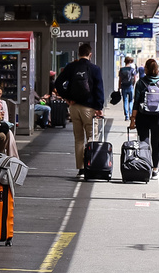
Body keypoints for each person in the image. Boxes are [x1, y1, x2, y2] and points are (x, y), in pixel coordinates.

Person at [52, 42, 105, 177]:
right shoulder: (95, 69)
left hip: (74, 108)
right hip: (90, 108)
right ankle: (91, 166)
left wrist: (67, 98)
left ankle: (81, 169)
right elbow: (99, 89)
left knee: (79, 139)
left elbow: (58, 83)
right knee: (92, 137)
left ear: (79, 53)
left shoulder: (71, 67)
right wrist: (99, 107)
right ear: (90, 54)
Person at [131, 58, 159, 176]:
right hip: (158, 118)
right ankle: (155, 170)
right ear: (157, 70)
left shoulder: (140, 83)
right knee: (156, 144)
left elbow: (136, 102)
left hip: (142, 117)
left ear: (146, 69)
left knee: (144, 143)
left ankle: (145, 168)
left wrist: (133, 119)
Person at [116, 55, 138, 122]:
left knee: (125, 101)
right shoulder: (132, 69)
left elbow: (120, 79)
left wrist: (119, 87)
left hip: (123, 87)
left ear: (125, 61)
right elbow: (135, 78)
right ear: (130, 62)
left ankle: (126, 116)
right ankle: (131, 114)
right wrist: (133, 84)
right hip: (130, 86)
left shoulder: (121, 69)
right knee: (131, 101)